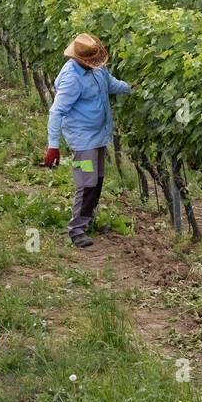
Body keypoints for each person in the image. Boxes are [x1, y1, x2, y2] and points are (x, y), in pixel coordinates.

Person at [42, 33, 133, 248]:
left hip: (99, 135)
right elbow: (56, 112)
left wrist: (132, 88)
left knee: (98, 180)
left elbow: (111, 84)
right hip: (82, 140)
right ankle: (76, 229)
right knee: (86, 183)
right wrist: (53, 145)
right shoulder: (72, 79)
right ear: (80, 59)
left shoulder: (97, 68)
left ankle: (87, 220)